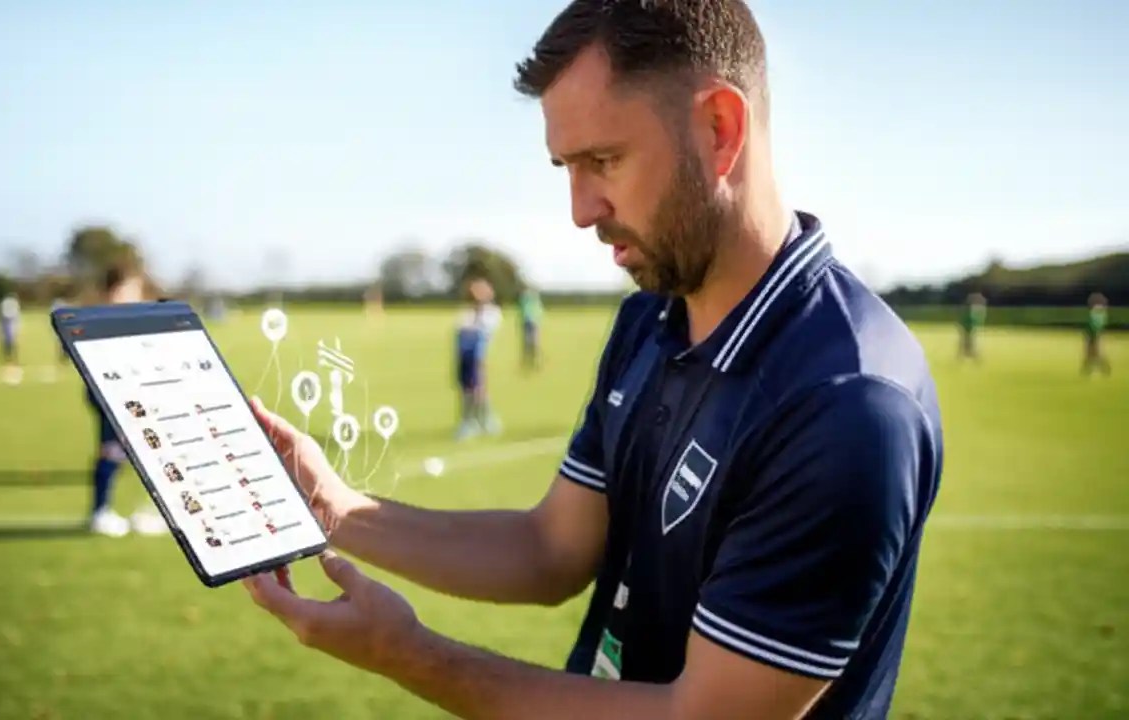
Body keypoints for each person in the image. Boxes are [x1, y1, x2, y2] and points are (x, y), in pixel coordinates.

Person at [241, 3, 943, 720]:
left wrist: (409, 655)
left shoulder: (848, 402)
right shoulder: (650, 316)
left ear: (720, 129)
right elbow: (551, 548)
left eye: (603, 160)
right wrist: (337, 508)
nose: (579, 210)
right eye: (565, 167)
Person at [86, 265, 169, 538]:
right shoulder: (100, 323)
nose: (132, 296)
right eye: (126, 290)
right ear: (111, 291)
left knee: (151, 454)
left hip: (135, 400)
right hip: (110, 399)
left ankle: (151, 511)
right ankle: (100, 512)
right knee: (111, 454)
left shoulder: (132, 321)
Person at [454, 277, 503, 440]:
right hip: (464, 355)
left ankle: (480, 420)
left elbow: (484, 333)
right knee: (466, 389)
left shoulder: (492, 313)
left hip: (478, 355)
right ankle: (475, 421)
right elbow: (460, 331)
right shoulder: (467, 313)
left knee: (478, 389)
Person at [1082, 292, 1111, 376]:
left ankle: (1102, 368)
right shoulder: (1102, 312)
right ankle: (1088, 370)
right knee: (1092, 354)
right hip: (1095, 334)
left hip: (1093, 335)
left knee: (1093, 354)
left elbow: (1093, 324)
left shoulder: (1096, 311)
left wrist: (1090, 334)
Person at [0, 292, 23, 384]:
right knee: (9, 342)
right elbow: (7, 315)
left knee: (10, 342)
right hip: (8, 324)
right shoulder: (9, 303)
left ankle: (12, 360)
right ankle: (9, 359)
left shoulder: (10, 303)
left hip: (9, 324)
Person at [518, 286, 544, 371]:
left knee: (534, 344)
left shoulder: (534, 300)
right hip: (527, 322)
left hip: (533, 322)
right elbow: (522, 312)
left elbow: (539, 311)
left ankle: (535, 363)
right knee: (527, 344)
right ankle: (528, 362)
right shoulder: (524, 300)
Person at [958, 292, 987, 362]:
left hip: (968, 327)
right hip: (967, 327)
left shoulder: (969, 308)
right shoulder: (970, 309)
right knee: (967, 341)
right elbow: (967, 319)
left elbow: (968, 319)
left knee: (967, 341)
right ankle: (969, 354)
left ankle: (968, 354)